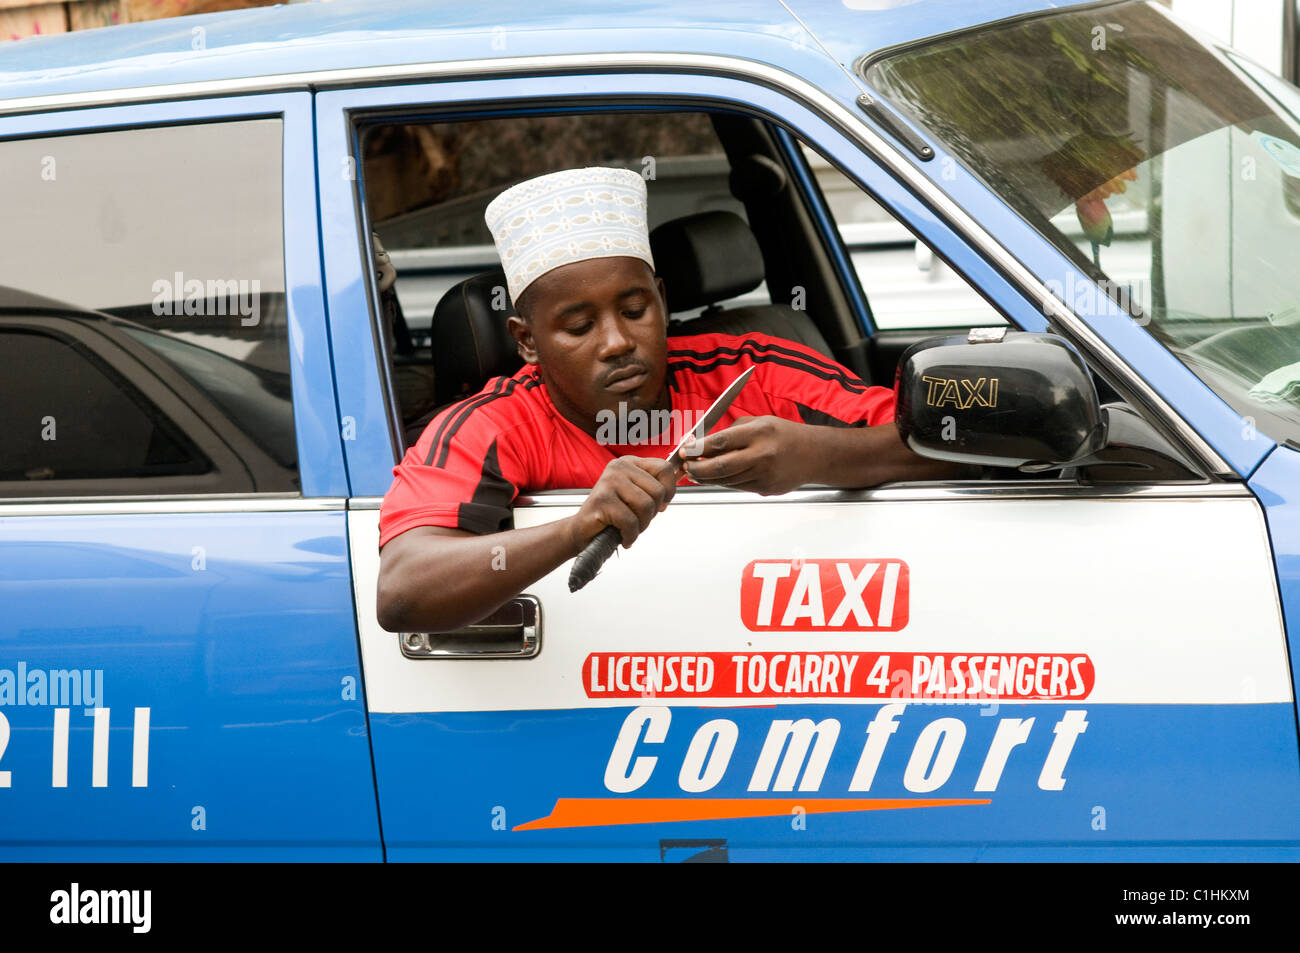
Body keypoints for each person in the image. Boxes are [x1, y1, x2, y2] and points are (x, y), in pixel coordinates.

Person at [376, 167, 954, 633]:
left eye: (635, 311)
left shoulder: (753, 370)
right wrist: (577, 529)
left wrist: (820, 455)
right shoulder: (495, 425)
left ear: (662, 300)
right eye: (578, 327)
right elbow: (403, 592)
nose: (618, 342)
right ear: (527, 341)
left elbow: (952, 443)